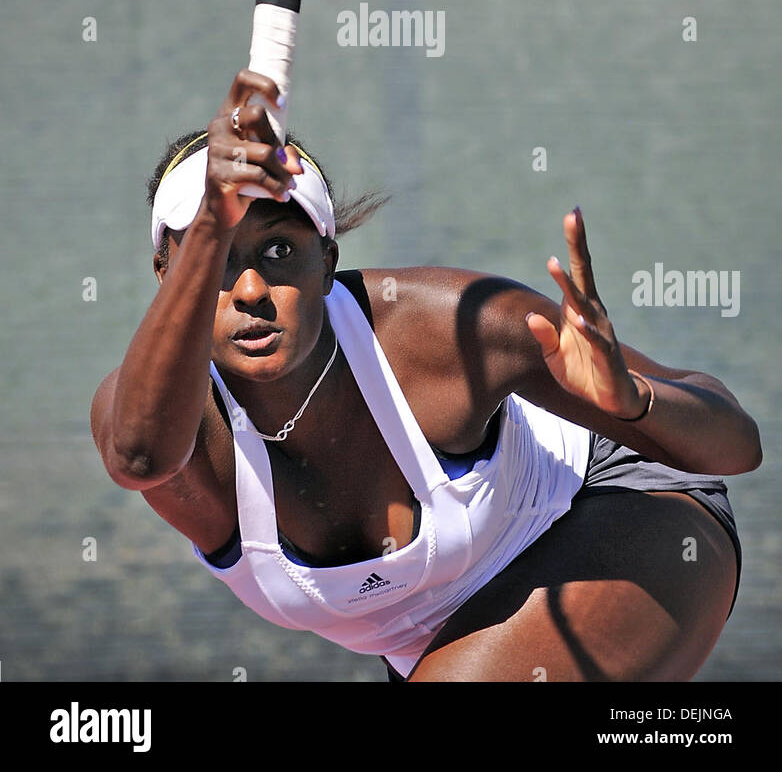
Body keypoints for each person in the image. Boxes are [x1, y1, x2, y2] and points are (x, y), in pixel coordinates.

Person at [91, 70, 762, 683]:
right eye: (212, 257)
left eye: (277, 251)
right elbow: (139, 456)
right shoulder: (169, 432)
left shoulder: (449, 331)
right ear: (165, 276)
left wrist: (638, 404)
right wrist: (209, 218)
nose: (249, 289)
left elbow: (735, 445)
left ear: (326, 263)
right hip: (441, 642)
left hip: (619, 509)